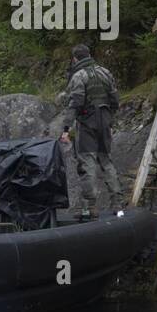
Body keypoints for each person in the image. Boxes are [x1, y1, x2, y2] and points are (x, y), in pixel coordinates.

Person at [59, 44, 123, 219]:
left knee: (87, 162)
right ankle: (117, 204)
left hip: (87, 123)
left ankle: (91, 207)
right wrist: (109, 120)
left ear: (75, 59)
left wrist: (66, 128)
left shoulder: (78, 76)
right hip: (105, 121)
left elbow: (76, 103)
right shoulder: (105, 72)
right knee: (106, 162)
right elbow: (115, 100)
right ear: (89, 55)